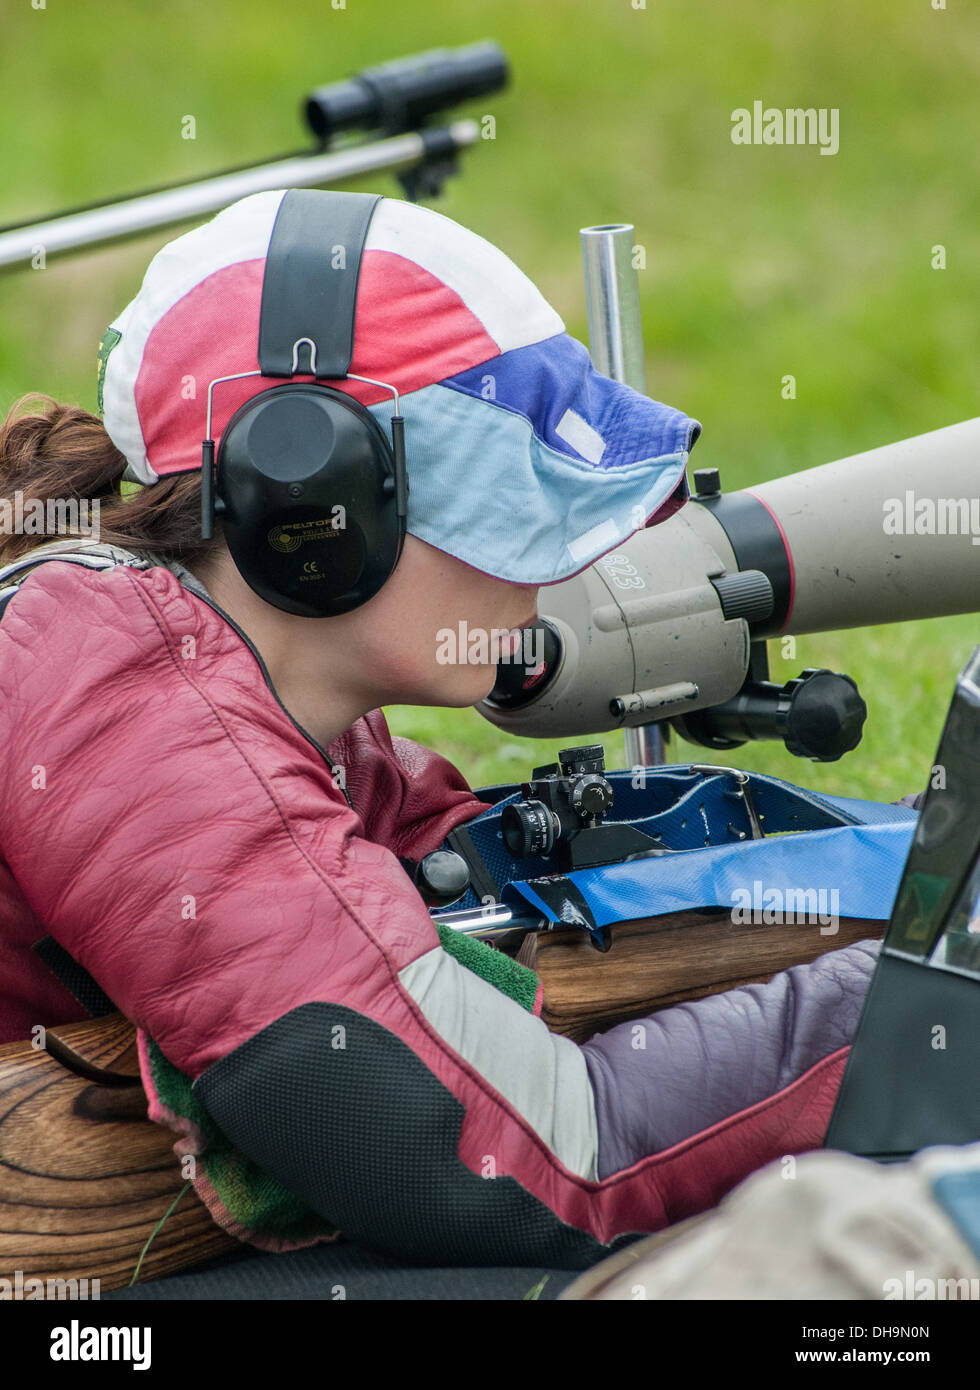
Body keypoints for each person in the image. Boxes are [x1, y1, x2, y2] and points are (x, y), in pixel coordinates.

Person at [0, 189, 883, 1269]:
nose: (545, 561)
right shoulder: (106, 671)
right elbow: (507, 1161)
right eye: (495, 492)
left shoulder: (306, 725)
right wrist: (906, 1007)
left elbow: (528, 917)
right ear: (308, 497)